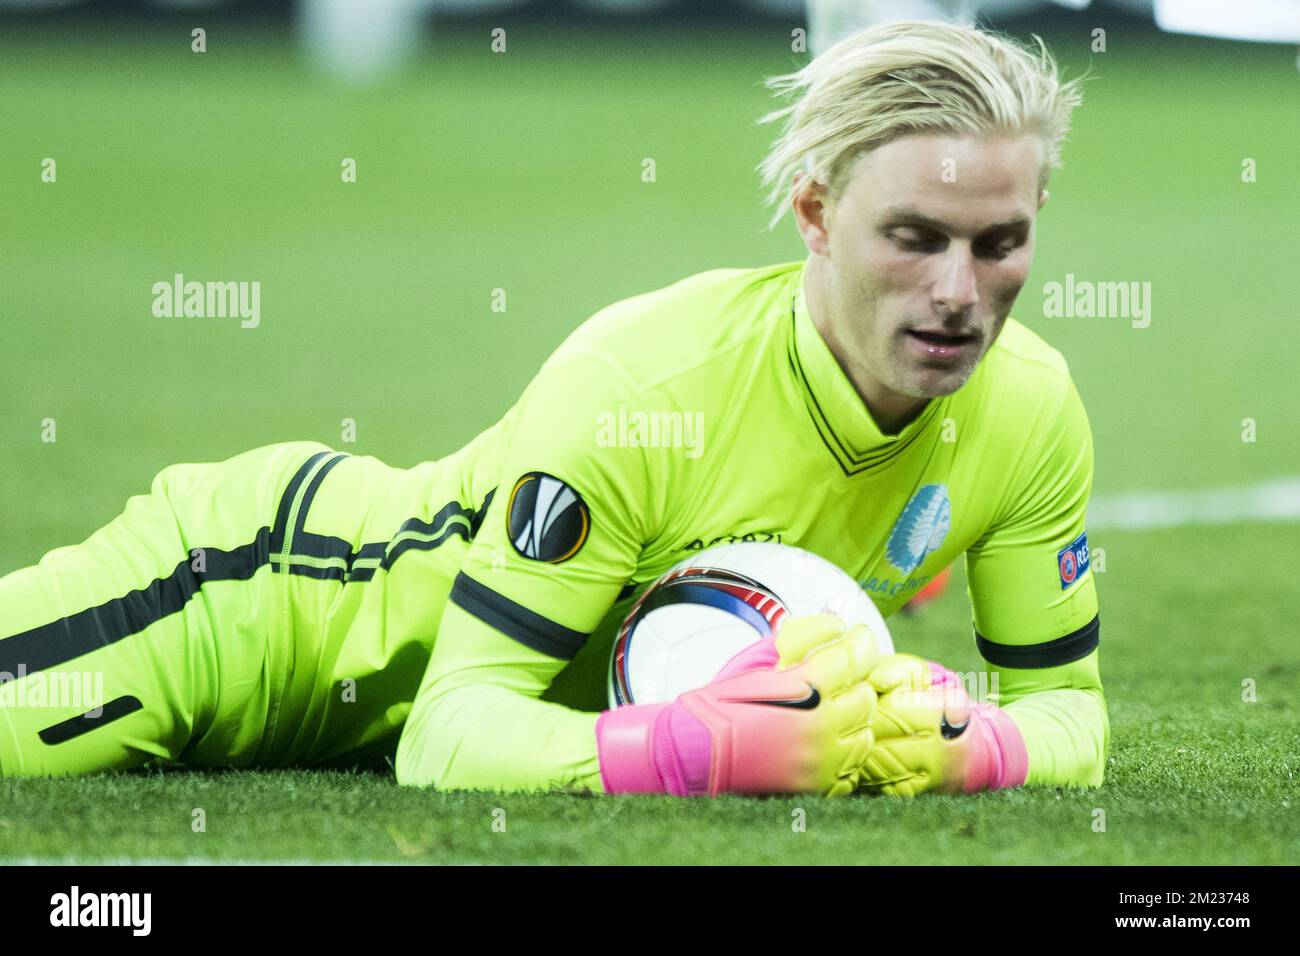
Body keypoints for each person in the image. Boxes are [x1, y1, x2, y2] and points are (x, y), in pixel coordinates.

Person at [0, 20, 1105, 797]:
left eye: (999, 244)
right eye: (912, 238)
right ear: (815, 215)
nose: (960, 293)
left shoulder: (1031, 414)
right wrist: (683, 751)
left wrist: (970, 744)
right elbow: (448, 732)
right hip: (245, 605)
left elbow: (1071, 718)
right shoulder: (646, 385)